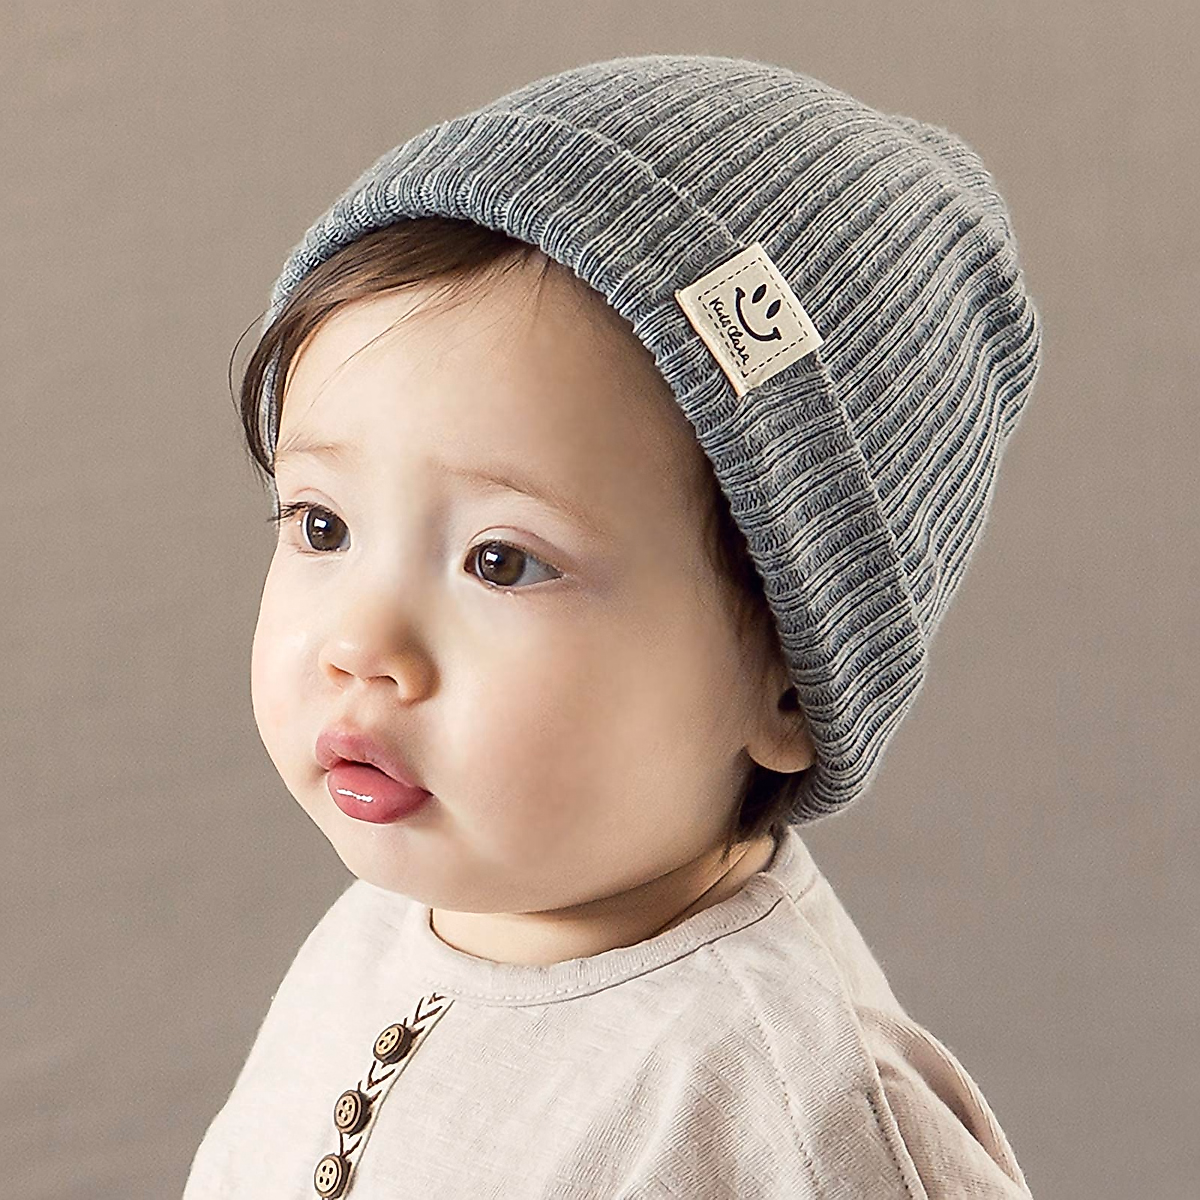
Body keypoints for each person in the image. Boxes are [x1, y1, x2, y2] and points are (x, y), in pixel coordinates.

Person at [183, 53, 1042, 1199]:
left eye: (502, 561)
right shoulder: (384, 931)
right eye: (322, 525)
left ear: (789, 679)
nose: (359, 646)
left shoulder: (789, 1119)